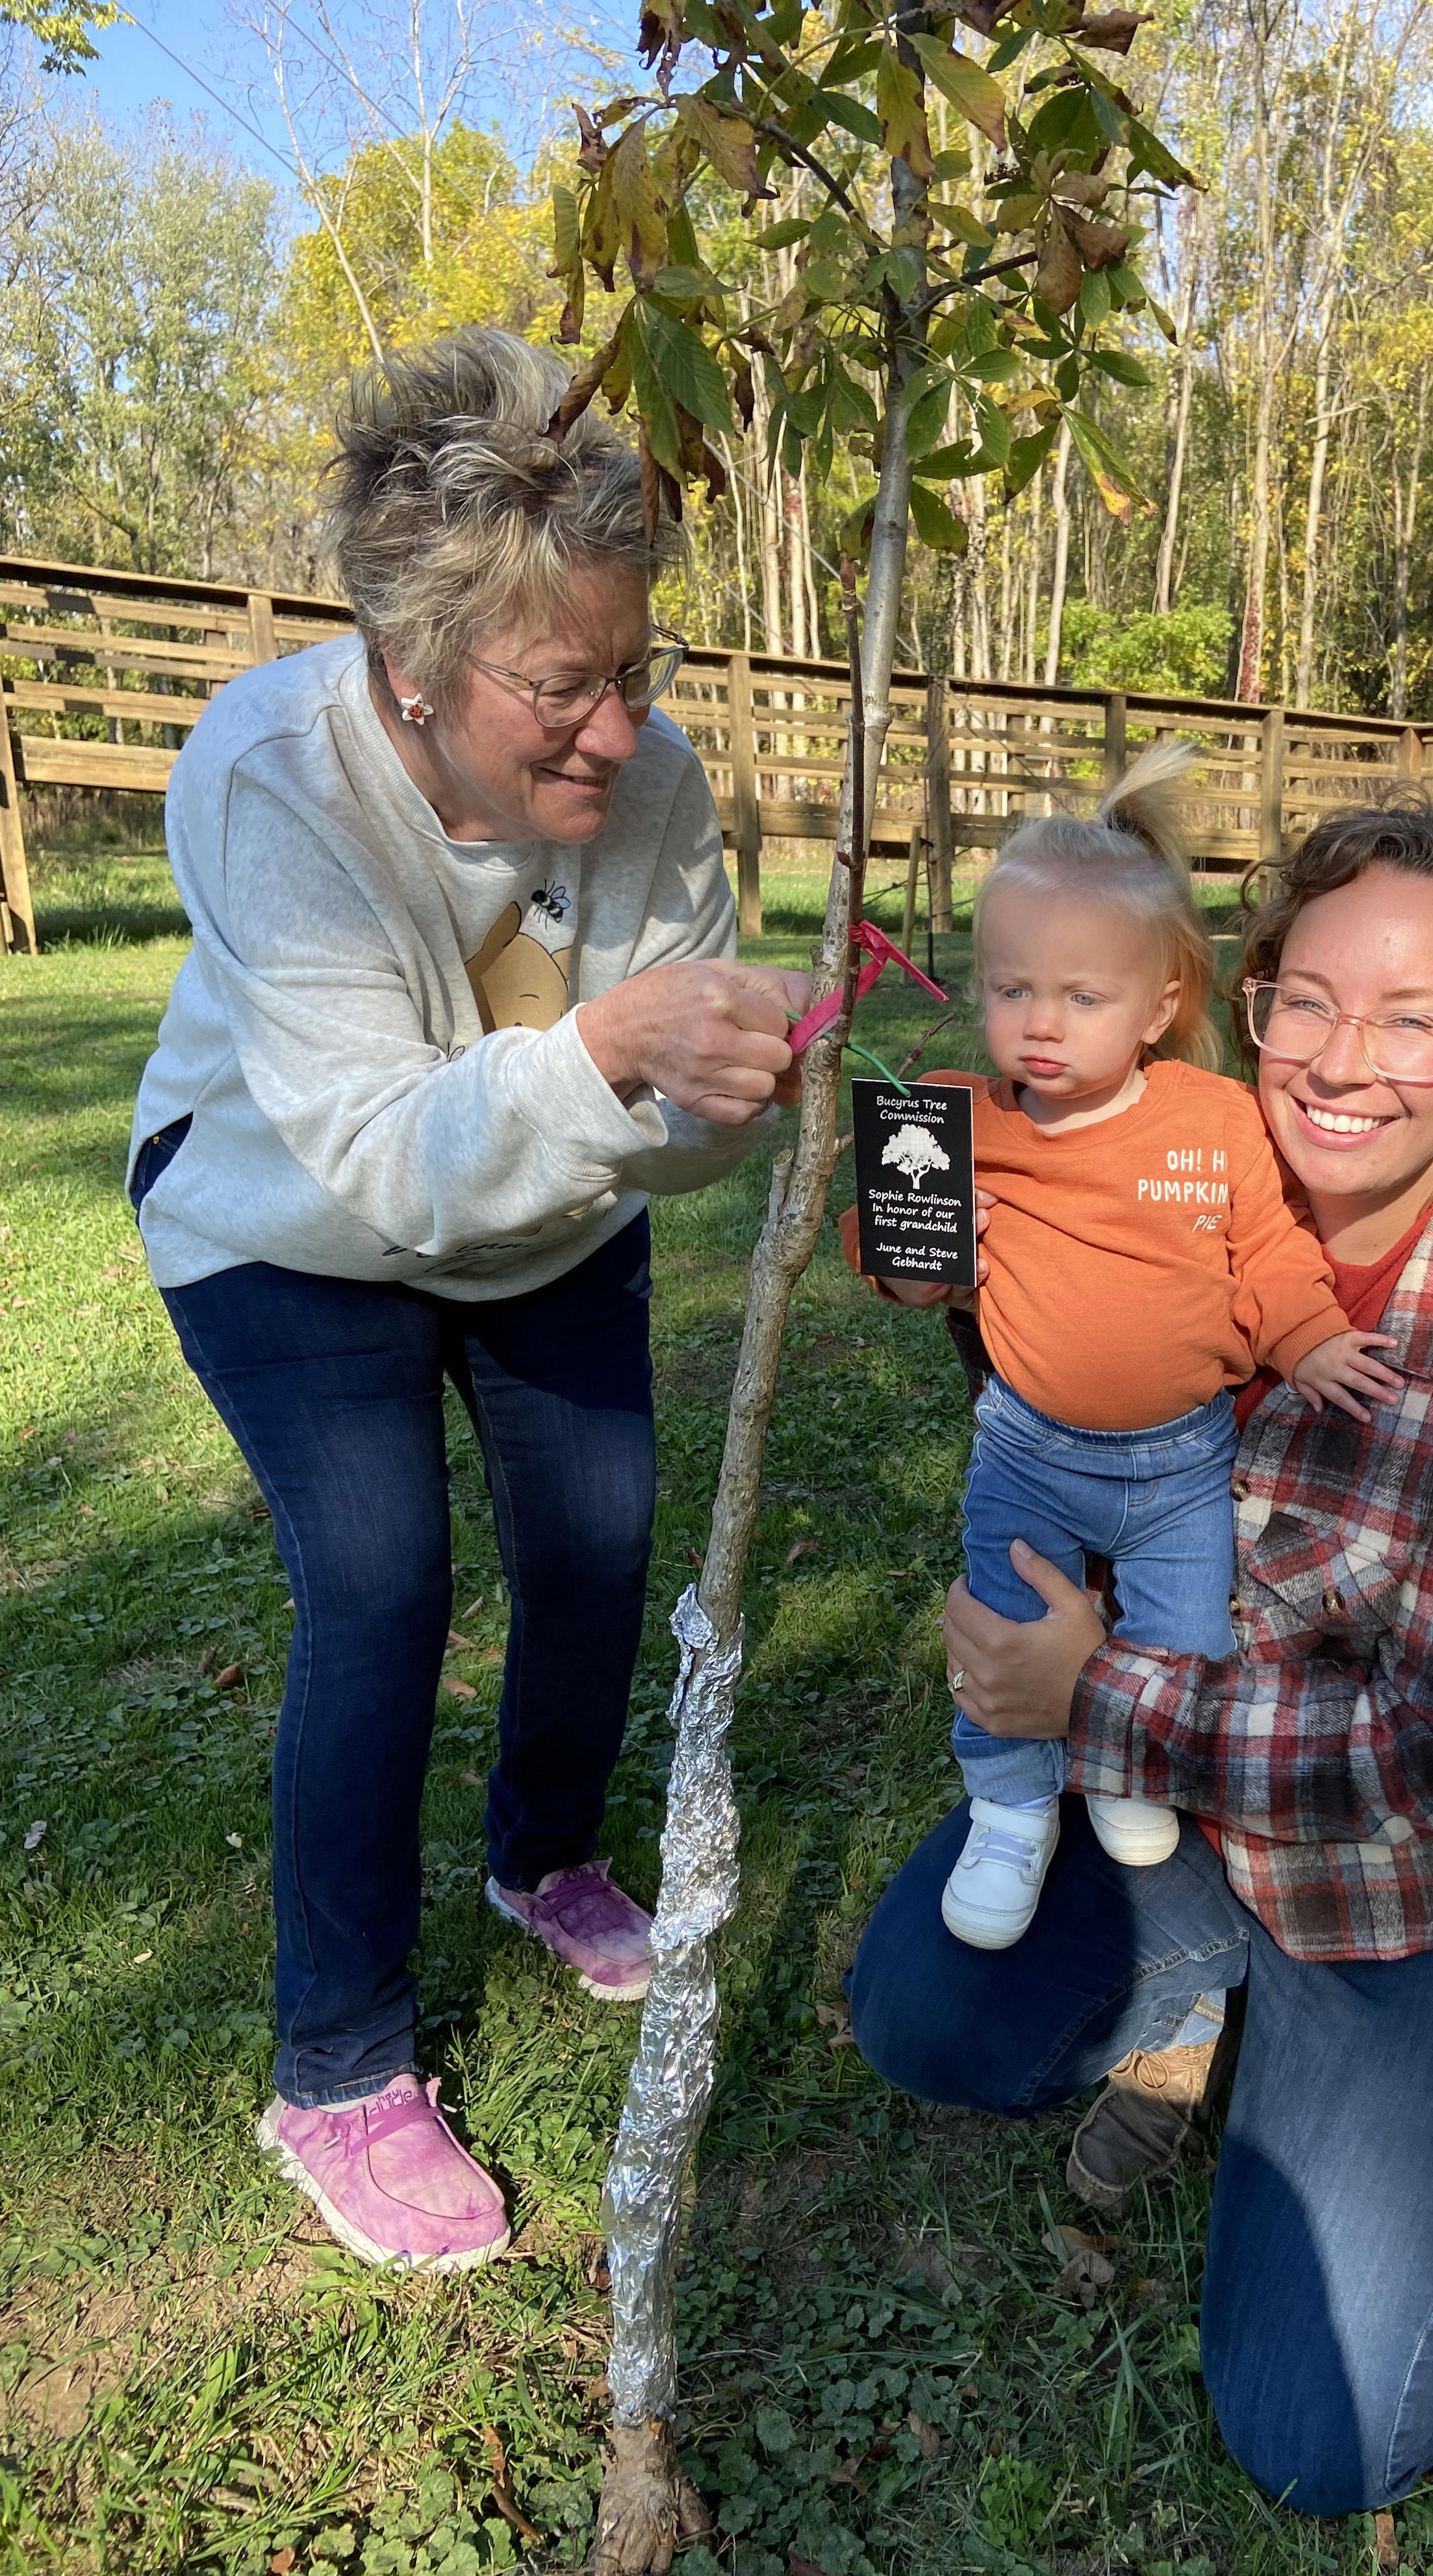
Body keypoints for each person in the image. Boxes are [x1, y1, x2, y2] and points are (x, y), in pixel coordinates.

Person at [848, 797, 1433, 2516]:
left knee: (1320, 2433)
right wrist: (944, 1247)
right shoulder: (1149, 1176)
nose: (1345, 1059)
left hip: (1401, 1877)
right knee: (926, 2012)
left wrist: (1091, 1694)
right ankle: (1203, 1999)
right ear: (1244, 996)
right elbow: (1045, 1420)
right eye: (1306, 998)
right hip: (1191, 1806)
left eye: (1413, 1016)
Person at [128, 328, 809, 2274]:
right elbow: (379, 1152)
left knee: (598, 1543)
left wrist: (693, 1101)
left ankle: (541, 1849)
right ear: (413, 671)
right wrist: (609, 1051)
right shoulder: (272, 776)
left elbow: (657, 1141)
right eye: (561, 687)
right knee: (383, 1584)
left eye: (633, 670)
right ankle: (336, 2065)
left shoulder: (655, 781)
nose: (615, 731)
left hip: (547, 1212)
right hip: (288, 1222)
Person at [842, 748, 1399, 1951]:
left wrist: (1308, 1342)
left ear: (1159, 1007)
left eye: (1081, 998)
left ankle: (1136, 1767)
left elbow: (1268, 1251)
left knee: (1181, 1631)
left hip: (1181, 1466)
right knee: (1003, 1624)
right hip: (1028, 1452)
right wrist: (911, 1261)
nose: (1037, 1025)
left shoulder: (1213, 1120)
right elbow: (882, 1241)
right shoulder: (959, 1116)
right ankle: (1008, 1806)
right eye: (1008, 988)